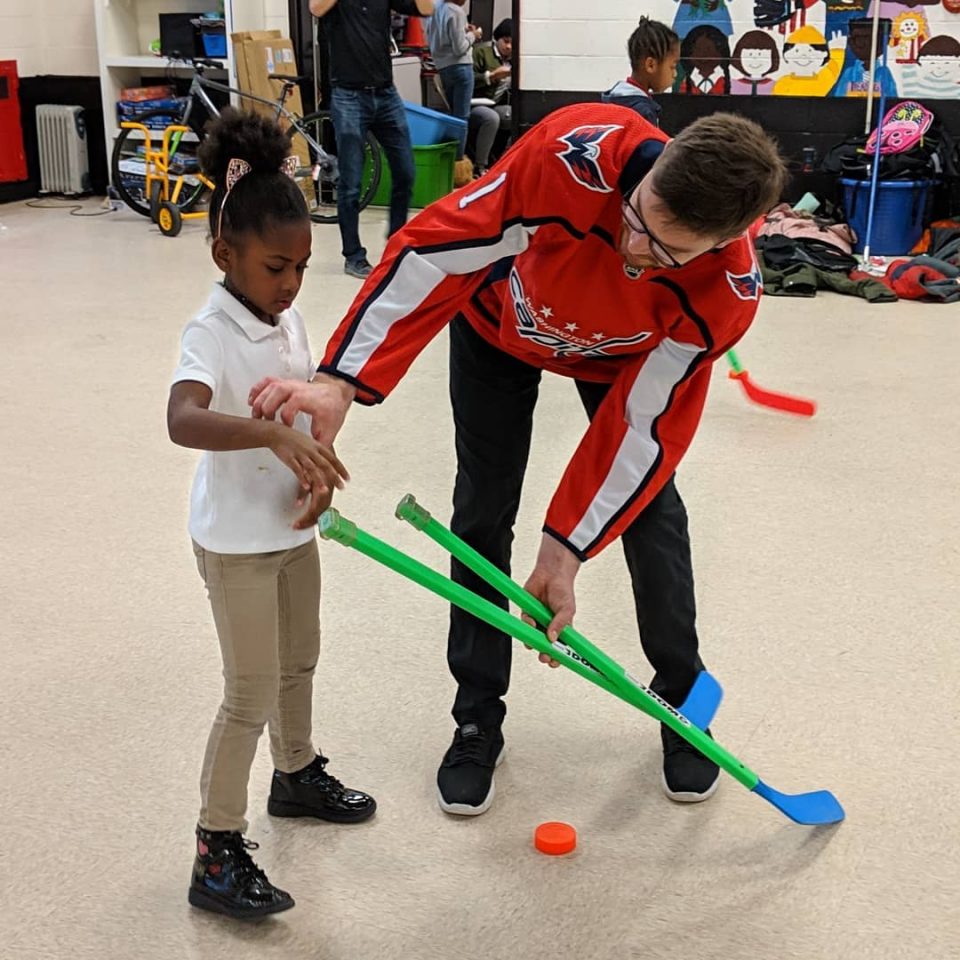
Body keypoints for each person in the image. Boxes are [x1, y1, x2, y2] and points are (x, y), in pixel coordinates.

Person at [249, 103, 788, 818]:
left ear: (722, 242)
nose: (633, 247)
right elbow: (435, 250)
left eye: (663, 249)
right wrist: (339, 380)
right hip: (497, 327)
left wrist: (563, 551)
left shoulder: (723, 292)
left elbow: (641, 427)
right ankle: (477, 717)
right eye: (637, 217)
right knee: (481, 506)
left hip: (620, 361)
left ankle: (681, 699)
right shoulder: (570, 159)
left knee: (652, 510)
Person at [167, 108, 375, 919]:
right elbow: (182, 419)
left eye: (300, 267)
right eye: (274, 266)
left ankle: (296, 774)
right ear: (226, 255)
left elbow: (313, 398)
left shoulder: (286, 317)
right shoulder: (208, 331)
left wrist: (316, 466)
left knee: (301, 663)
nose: (290, 285)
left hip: (292, 529)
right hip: (235, 546)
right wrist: (261, 433)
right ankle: (215, 851)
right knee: (247, 690)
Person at [309, 0, 435, 280]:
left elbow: (426, 9)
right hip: (348, 95)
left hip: (385, 93)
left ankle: (397, 242)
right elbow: (315, 8)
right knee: (351, 184)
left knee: (405, 172)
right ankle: (353, 256)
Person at [427, 0, 481, 164]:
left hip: (443, 68)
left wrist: (464, 32)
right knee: (461, 118)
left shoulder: (435, 7)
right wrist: (474, 35)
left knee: (453, 117)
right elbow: (459, 48)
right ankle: (458, 164)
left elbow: (434, 37)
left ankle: (448, 161)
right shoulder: (456, 11)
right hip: (461, 67)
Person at [601, 17, 679, 127]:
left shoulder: (611, 98)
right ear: (651, 65)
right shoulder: (644, 113)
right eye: (672, 66)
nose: (675, 74)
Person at [470, 17, 513, 175]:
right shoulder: (481, 52)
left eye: (513, 43)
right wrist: (491, 76)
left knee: (515, 116)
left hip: (496, 104)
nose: (509, 47)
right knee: (491, 118)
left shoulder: (513, 59)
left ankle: (500, 160)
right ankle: (479, 166)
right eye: (506, 41)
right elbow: (468, 81)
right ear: (497, 39)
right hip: (474, 103)